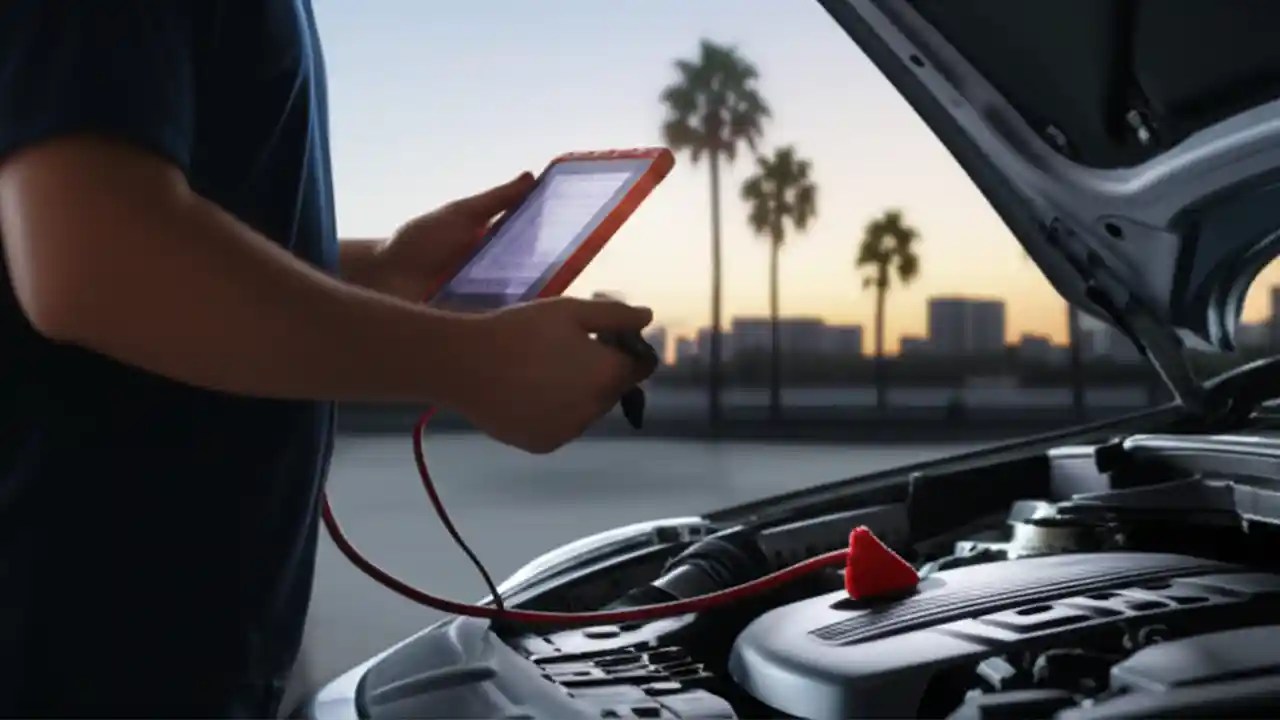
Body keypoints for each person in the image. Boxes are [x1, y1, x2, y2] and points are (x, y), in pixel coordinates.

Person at [0, 2, 655, 716]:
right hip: (82, 648)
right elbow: (94, 261)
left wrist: (386, 272)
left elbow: (157, 234)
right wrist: (471, 362)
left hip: (166, 642)